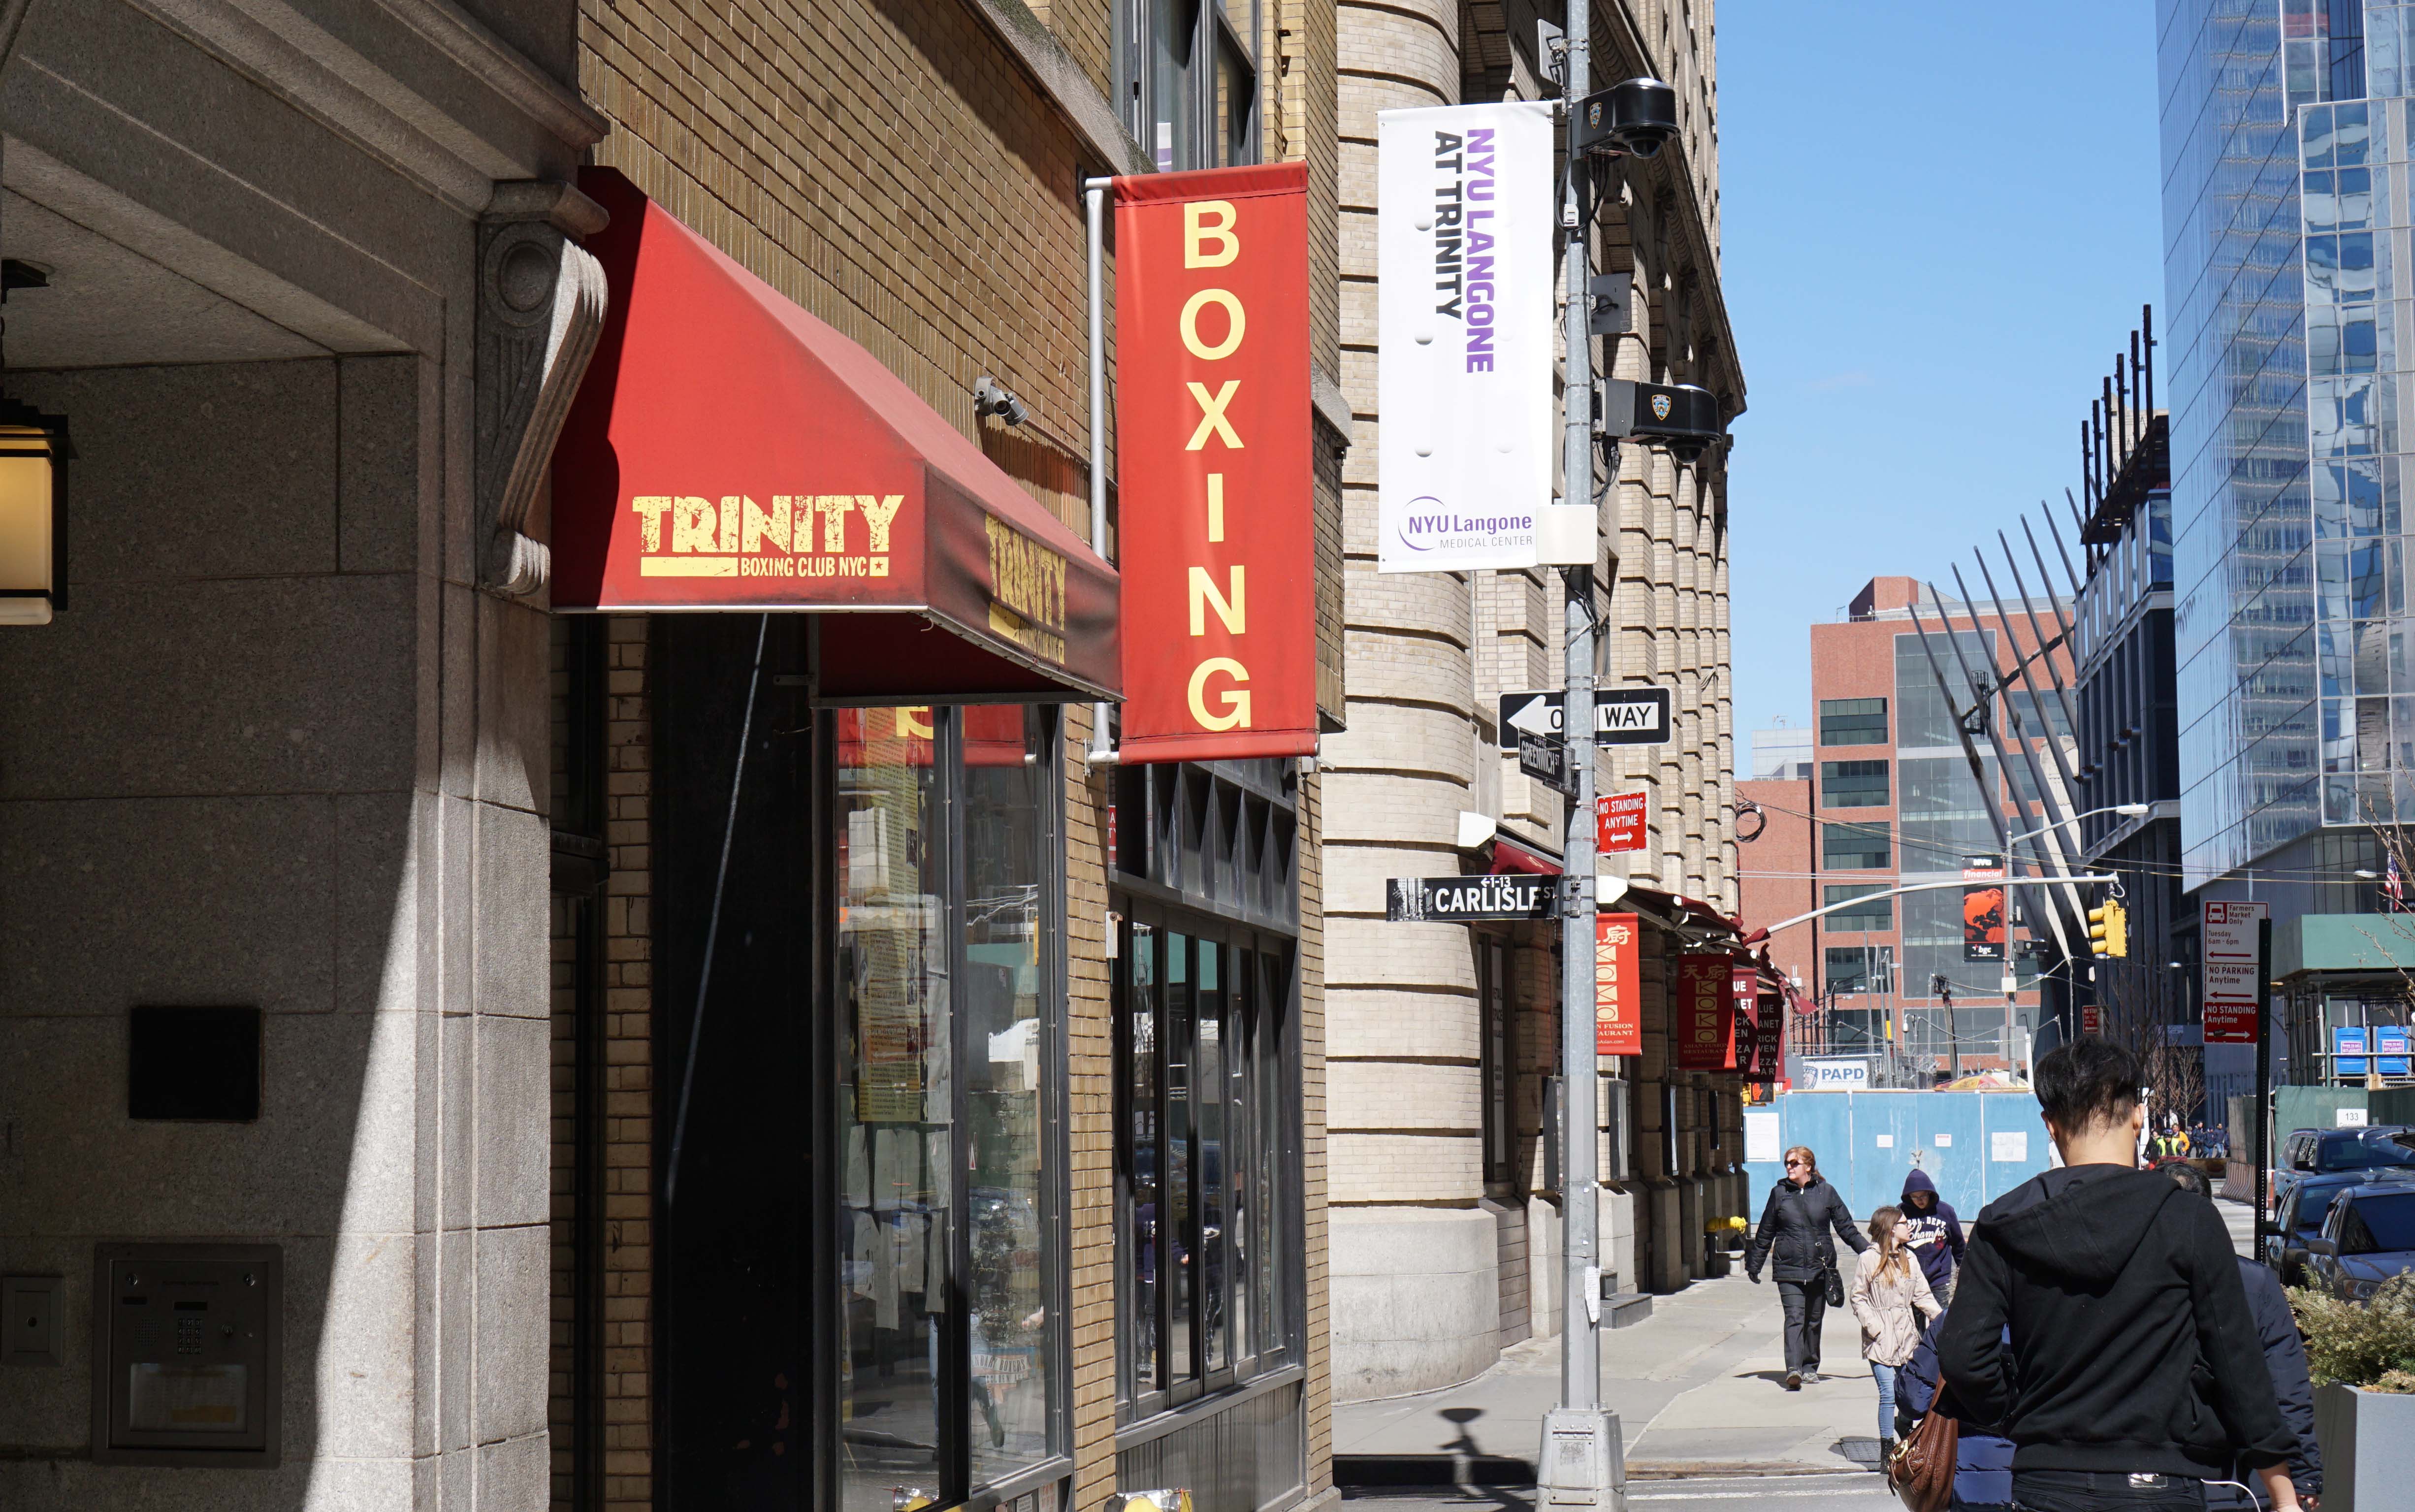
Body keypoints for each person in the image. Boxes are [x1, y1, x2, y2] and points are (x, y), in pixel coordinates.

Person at [1936, 1038, 2301, 1512]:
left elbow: (1963, 1355)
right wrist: (2283, 1493)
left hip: (2048, 1479)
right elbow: (2238, 1366)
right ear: (2138, 1116)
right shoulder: (2187, 1218)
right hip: (2163, 1481)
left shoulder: (2004, 1223)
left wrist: (2013, 1407)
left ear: (2050, 1125)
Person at [2161, 1161, 2321, 1510]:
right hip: (2243, 1482)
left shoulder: (2128, 1284)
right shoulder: (2254, 1282)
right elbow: (2287, 1388)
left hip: (2154, 1482)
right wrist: (2302, 1474)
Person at [1745, 1143, 1869, 1390]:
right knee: (1794, 1317)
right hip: (1788, 1268)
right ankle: (1794, 1369)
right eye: (1787, 1163)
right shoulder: (1779, 1194)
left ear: (1809, 1166)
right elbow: (1766, 1231)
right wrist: (1755, 1264)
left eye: (1795, 1163)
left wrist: (1870, 1253)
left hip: (1819, 1267)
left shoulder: (1826, 1192)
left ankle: (1810, 1367)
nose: (1789, 1167)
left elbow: (1846, 1228)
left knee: (1813, 1320)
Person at [1899, 1305, 2015, 1512]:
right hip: (2034, 1470)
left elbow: (1914, 1400)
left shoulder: (1954, 1319)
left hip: (1965, 1468)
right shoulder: (2050, 1316)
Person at [1850, 1203, 1939, 1463]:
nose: (1909, 1227)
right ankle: (1887, 1451)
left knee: (1909, 1394)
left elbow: (1923, 1296)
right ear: (1891, 1229)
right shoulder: (1868, 1259)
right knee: (1889, 1393)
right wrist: (1873, 1327)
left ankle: (1904, 1426)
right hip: (1880, 1339)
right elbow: (1858, 1297)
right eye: (1904, 1224)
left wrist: (1943, 1319)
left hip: (1907, 1338)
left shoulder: (1910, 1258)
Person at [1898, 1167, 1966, 1300]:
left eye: (1923, 1196)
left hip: (1940, 1280)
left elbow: (1959, 1246)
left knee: (1940, 1313)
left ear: (1930, 1193)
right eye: (1915, 1197)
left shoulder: (1946, 1211)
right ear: (1909, 1197)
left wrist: (1963, 1270)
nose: (1920, 1200)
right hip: (1910, 1278)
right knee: (1912, 1314)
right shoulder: (1901, 1213)